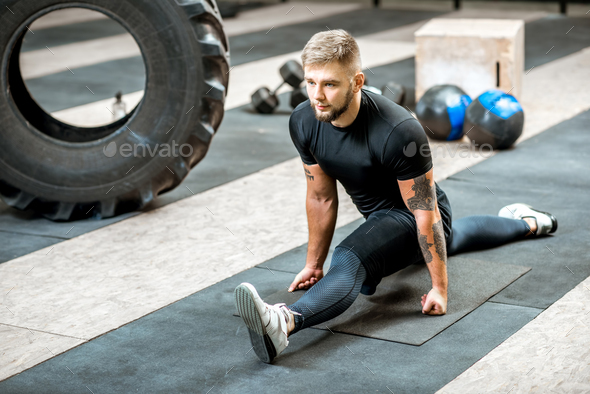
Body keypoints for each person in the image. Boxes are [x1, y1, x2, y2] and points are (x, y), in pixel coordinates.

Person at [234, 30, 558, 364]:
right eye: (310, 82)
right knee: (454, 238)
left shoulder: (398, 129)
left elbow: (425, 215)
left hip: (417, 212)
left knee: (349, 257)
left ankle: (285, 322)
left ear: (357, 81)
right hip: (381, 220)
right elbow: (321, 198)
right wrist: (313, 264)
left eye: (330, 84)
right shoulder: (304, 120)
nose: (318, 95)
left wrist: (441, 289)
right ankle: (526, 222)